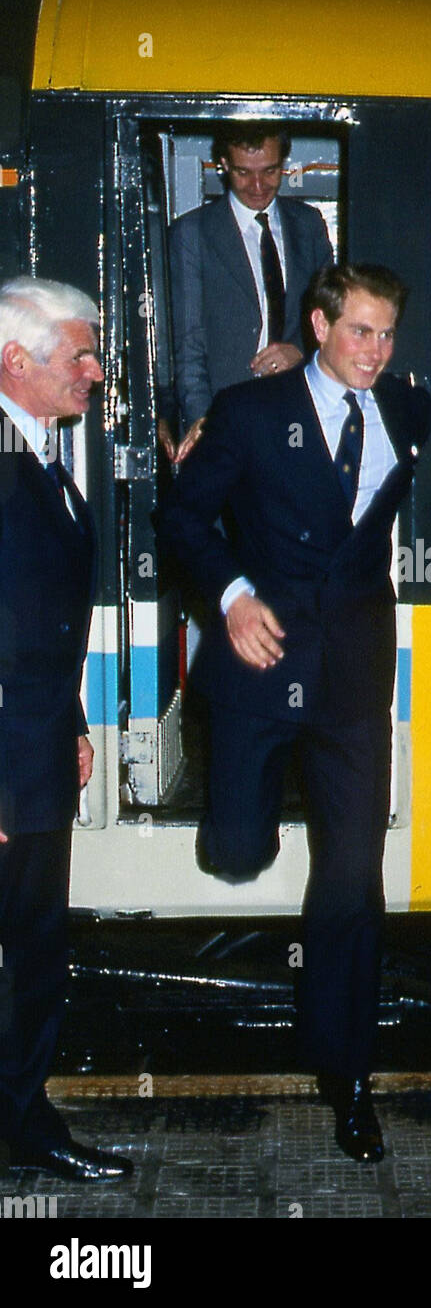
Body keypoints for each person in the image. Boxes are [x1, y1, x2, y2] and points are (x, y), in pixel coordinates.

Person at [158, 264, 431, 1162]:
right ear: (317, 325)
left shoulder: (406, 410)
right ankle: (254, 827)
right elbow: (181, 519)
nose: (375, 351)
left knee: (352, 879)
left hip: (352, 675)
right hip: (258, 658)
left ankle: (347, 1077)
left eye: (387, 334)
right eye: (359, 331)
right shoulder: (245, 412)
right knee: (235, 849)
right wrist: (231, 595)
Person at [0, 277, 132, 1181]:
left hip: (35, 747)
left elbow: (36, 618)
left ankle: (23, 1121)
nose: (94, 369)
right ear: (15, 360)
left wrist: (74, 720)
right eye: (78, 354)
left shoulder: (40, 451)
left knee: (35, 950)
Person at [160, 121, 333, 462]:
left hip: (299, 410)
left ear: (284, 163)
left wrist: (300, 351)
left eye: (270, 171)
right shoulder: (191, 233)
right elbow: (187, 342)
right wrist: (208, 423)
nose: (257, 186)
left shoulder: (309, 224)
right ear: (223, 164)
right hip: (225, 414)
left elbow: (333, 318)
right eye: (243, 172)